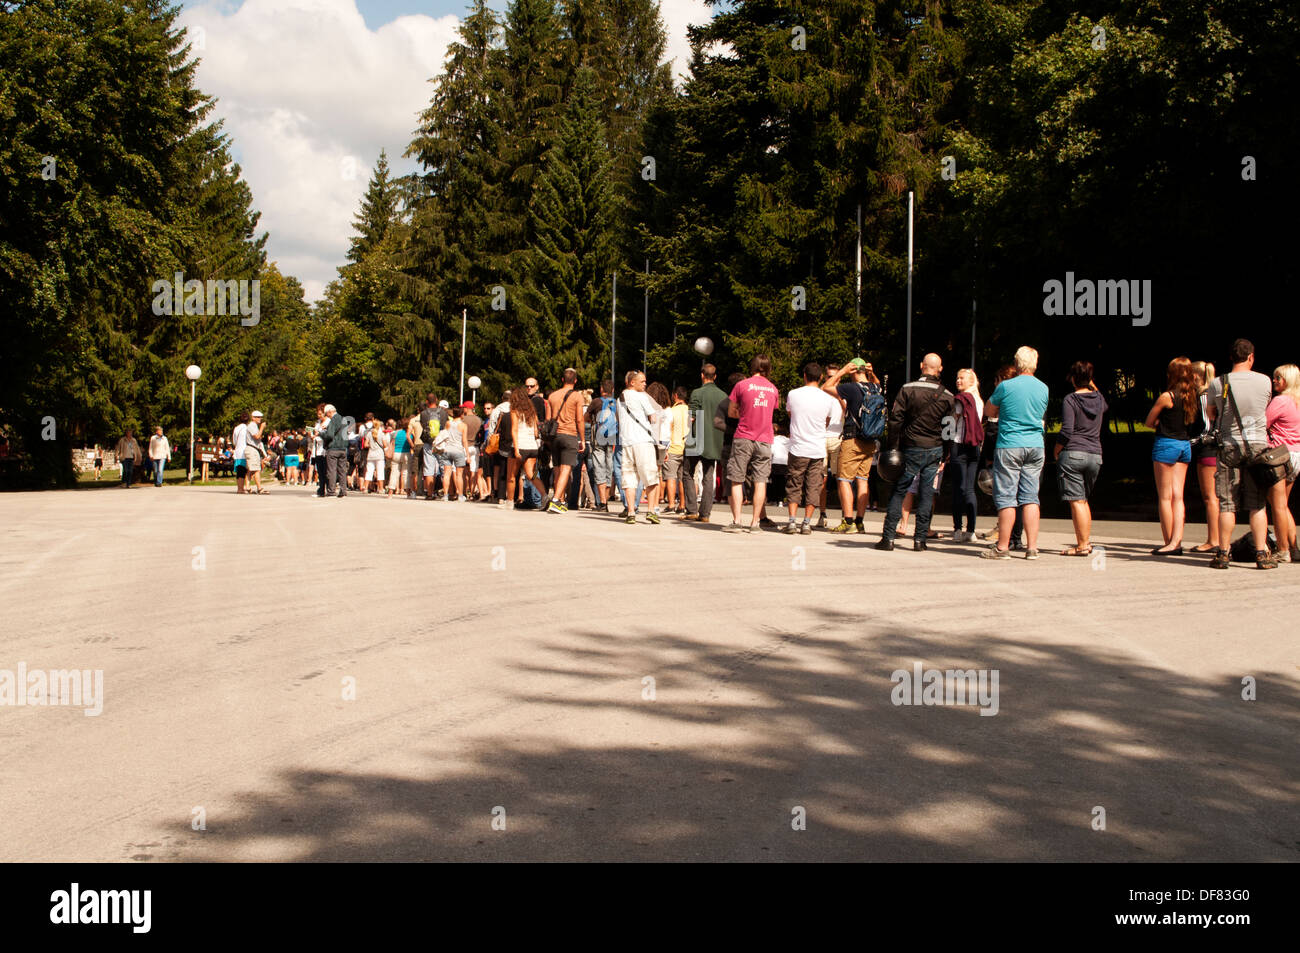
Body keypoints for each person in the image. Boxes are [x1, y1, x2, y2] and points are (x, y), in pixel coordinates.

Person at [1206, 339, 1276, 569]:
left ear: (1230, 358)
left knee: (1227, 503)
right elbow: (1263, 406)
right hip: (1257, 445)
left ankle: (1223, 554)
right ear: (1251, 357)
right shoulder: (1265, 381)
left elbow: (1211, 412)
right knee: (1257, 504)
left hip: (1229, 445)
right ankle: (1261, 554)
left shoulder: (1218, 383)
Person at [876, 353, 955, 551]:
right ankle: (920, 540)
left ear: (921, 366)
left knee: (899, 490)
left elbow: (895, 420)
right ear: (940, 369)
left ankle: (888, 538)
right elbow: (949, 430)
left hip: (910, 448)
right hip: (935, 449)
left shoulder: (907, 389)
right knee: (927, 494)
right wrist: (945, 454)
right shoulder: (948, 396)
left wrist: (893, 447)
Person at [981, 346, 1049, 559]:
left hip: (1010, 444)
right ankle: (1032, 548)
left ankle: (1002, 547)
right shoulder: (1043, 388)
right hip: (1036, 445)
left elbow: (988, 411)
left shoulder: (1006, 386)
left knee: (1007, 497)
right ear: (1035, 364)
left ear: (1017, 363)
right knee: (1030, 497)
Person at [1143, 357, 1200, 555]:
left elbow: (1149, 422)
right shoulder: (1192, 396)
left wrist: (1160, 422)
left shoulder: (1167, 397)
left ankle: (1169, 542)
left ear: (1171, 374)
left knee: (1165, 497)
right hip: (1185, 446)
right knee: (1178, 497)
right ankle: (1177, 539)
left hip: (1166, 445)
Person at [721, 355, 781, 532]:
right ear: (768, 369)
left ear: (752, 367)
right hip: (765, 439)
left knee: (736, 478)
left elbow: (732, 412)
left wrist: (745, 413)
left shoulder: (742, 385)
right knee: (760, 480)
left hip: (743, 436)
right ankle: (755, 523)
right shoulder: (773, 389)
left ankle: (737, 521)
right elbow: (771, 411)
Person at [823, 359, 881, 534]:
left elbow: (826, 387)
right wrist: (872, 373)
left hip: (852, 439)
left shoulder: (852, 388)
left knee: (844, 479)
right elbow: (877, 382)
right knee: (863, 480)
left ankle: (848, 522)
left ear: (853, 370)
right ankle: (860, 522)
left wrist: (841, 372)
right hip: (870, 441)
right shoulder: (875, 388)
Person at [1054, 361, 1107, 556]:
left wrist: (1057, 449)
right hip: (1095, 454)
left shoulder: (1071, 399)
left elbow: (1067, 429)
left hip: (1074, 452)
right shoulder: (1099, 399)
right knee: (1083, 500)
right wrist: (1091, 383)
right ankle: (1084, 542)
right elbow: (1104, 404)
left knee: (1076, 501)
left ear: (1073, 378)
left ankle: (1083, 545)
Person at [784, 362, 837, 534]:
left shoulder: (793, 394)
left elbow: (791, 415)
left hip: (798, 447)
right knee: (814, 486)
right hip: (817, 449)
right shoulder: (827, 398)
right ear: (821, 377)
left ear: (804, 376)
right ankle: (806, 523)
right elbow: (827, 422)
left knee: (794, 483)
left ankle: (792, 521)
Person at [682, 365, 727, 524]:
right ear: (715, 376)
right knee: (709, 476)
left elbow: (691, 418)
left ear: (702, 375)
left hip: (696, 439)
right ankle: (705, 514)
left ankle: (692, 510)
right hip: (714, 441)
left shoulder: (697, 393)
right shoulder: (723, 395)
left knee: (687, 472)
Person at [617, 370, 663, 524]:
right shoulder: (642, 396)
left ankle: (631, 512)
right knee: (650, 477)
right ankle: (651, 511)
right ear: (632, 382)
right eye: (642, 381)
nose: (645, 384)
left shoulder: (620, 398)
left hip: (627, 442)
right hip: (643, 441)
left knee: (629, 477)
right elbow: (654, 417)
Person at [1265, 364, 1300, 563]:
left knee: (1277, 505)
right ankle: (1293, 547)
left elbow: (1264, 422)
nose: (1274, 381)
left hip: (1279, 455)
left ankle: (1283, 549)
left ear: (1287, 380)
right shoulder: (1297, 401)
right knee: (1284, 505)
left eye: (1278, 377)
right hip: (1296, 455)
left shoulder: (1281, 401)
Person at [948, 368, 984, 542]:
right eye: (957, 378)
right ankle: (971, 530)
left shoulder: (959, 400)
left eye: (962, 378)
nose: (958, 381)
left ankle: (957, 529)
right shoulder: (979, 400)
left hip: (958, 445)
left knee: (957, 488)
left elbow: (951, 424)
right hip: (975, 447)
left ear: (971, 381)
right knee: (970, 489)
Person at [1189, 361, 1220, 553]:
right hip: (1213, 451)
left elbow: (1208, 429)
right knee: (1214, 497)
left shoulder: (1204, 396)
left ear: (1194, 376)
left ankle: (1213, 539)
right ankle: (1215, 538)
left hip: (1208, 451)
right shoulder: (1214, 394)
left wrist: (1190, 442)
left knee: (1210, 498)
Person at [546, 369, 584, 514]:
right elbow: (580, 419)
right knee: (566, 469)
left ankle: (561, 500)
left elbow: (549, 419)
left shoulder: (552, 396)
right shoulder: (577, 396)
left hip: (555, 436)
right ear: (575, 381)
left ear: (562, 380)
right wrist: (582, 439)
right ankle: (555, 500)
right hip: (570, 434)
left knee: (557, 470)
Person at [817, 364, 846, 528]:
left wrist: (840, 398)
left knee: (840, 479)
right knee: (822, 479)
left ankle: (844, 515)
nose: (831, 379)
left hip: (837, 438)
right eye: (828, 376)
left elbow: (848, 412)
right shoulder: (821, 394)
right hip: (821, 438)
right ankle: (822, 514)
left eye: (834, 376)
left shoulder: (844, 393)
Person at [509, 384, 547, 508]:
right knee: (532, 474)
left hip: (520, 446)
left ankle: (509, 502)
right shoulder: (532, 413)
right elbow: (536, 432)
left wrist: (515, 448)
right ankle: (544, 496)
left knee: (512, 475)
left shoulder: (515, 412)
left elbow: (514, 430)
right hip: (532, 448)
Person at [586, 380, 619, 512]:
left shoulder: (596, 402)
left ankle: (602, 503)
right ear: (612, 390)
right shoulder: (616, 403)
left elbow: (585, 417)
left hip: (598, 437)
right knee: (609, 467)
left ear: (601, 389)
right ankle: (606, 498)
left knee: (599, 466)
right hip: (612, 438)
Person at [663, 386, 690, 515]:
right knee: (684, 478)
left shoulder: (671, 411)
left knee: (670, 477)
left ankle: (671, 504)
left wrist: (665, 448)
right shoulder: (690, 410)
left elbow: (667, 429)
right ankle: (683, 505)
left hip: (673, 447)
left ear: (675, 396)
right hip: (688, 448)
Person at [419, 394, 447, 501]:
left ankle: (430, 494)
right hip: (441, 443)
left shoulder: (423, 413)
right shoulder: (443, 413)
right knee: (444, 468)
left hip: (428, 443)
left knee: (429, 468)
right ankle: (446, 493)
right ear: (437, 400)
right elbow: (445, 426)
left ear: (427, 401)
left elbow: (423, 426)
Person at [321, 404, 349, 497]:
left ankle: (331, 491)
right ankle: (343, 490)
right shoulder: (343, 419)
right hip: (343, 448)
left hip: (333, 448)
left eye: (326, 413)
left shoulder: (333, 420)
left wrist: (321, 434)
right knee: (342, 470)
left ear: (330, 412)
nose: (326, 415)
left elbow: (329, 435)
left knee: (332, 470)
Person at [245, 411, 268, 494]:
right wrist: (262, 428)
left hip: (254, 448)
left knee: (250, 470)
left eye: (260, 417)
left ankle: (247, 487)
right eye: (257, 417)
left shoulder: (254, 426)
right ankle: (259, 488)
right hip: (252, 449)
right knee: (256, 469)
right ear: (253, 417)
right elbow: (257, 436)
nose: (260, 419)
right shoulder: (252, 426)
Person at [311, 404, 328, 497]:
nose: (319, 416)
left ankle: (328, 489)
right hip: (317, 449)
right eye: (318, 414)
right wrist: (312, 435)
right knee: (320, 471)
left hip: (325, 449)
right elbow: (315, 434)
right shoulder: (318, 423)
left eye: (320, 414)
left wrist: (319, 435)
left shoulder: (328, 422)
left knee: (326, 471)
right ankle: (321, 490)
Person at [231, 412, 250, 493]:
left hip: (238, 451)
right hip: (245, 451)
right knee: (244, 471)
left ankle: (239, 488)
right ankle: (242, 488)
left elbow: (234, 441)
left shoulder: (236, 428)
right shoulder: (247, 428)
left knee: (239, 471)